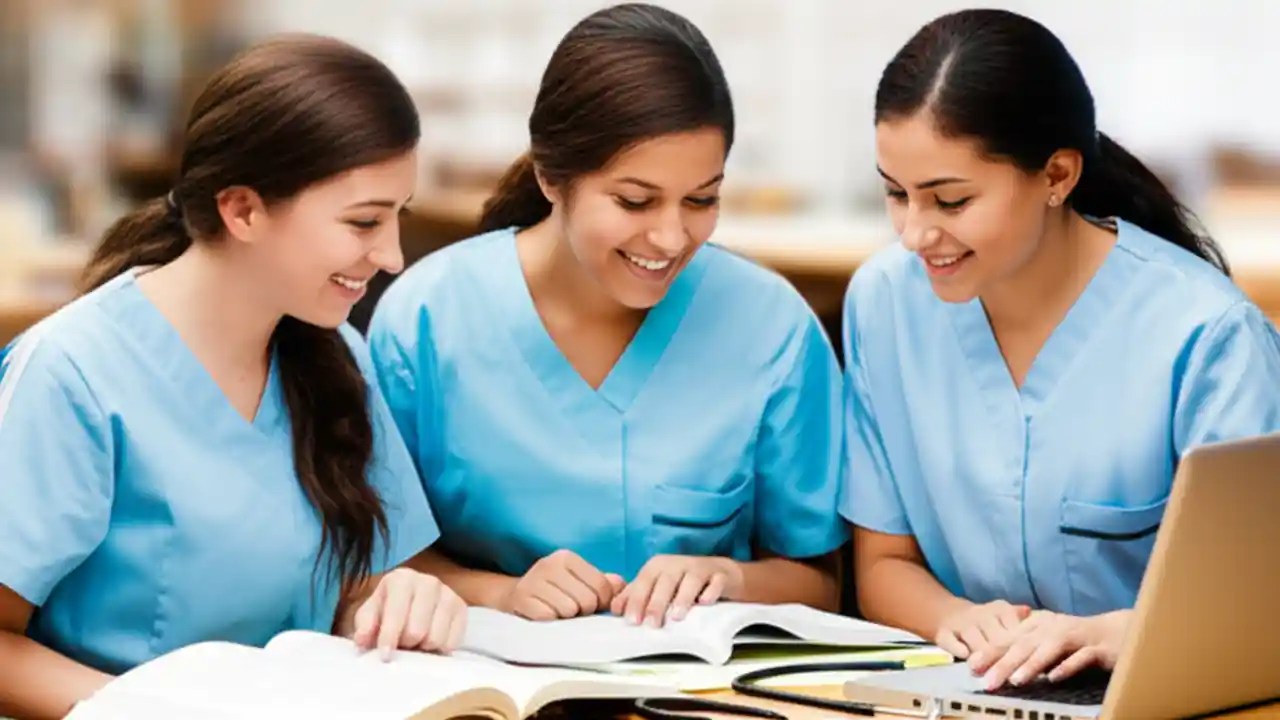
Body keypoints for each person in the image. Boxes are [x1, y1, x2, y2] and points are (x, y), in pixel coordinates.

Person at [0, 36, 465, 720]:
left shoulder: (338, 356)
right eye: (364, 221)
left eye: (399, 215)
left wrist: (400, 598)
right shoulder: (71, 375)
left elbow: (355, 585)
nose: (392, 255)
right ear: (242, 209)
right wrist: (153, 710)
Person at [840, 8, 1280, 691]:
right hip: (963, 692)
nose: (914, 234)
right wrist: (953, 617)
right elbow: (881, 565)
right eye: (896, 194)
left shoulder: (1208, 336)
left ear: (1057, 176)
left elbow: (1257, 603)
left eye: (950, 202)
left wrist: (1103, 634)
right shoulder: (883, 305)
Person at [368, 3, 846, 629]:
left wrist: (730, 578)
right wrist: (502, 594)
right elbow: (373, 567)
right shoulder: (426, 320)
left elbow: (820, 584)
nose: (671, 237)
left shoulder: (770, 328)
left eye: (702, 199)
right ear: (550, 176)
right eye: (634, 200)